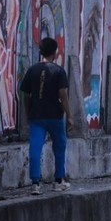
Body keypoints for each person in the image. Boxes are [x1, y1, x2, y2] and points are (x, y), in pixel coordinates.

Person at [20, 37, 74, 195]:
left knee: (35, 147)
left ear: (41, 51)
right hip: (55, 116)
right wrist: (69, 115)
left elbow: (25, 94)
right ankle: (58, 181)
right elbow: (63, 94)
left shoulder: (32, 70)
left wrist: (28, 112)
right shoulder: (58, 71)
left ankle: (35, 184)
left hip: (37, 116)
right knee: (59, 147)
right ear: (55, 52)